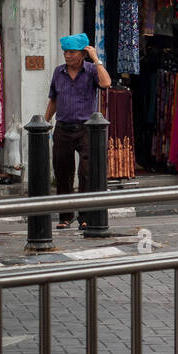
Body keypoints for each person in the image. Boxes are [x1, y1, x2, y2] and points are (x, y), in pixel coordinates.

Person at [45, 33, 111, 228]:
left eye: (72, 52)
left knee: (87, 173)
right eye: (65, 52)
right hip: (63, 128)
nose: (67, 56)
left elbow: (106, 83)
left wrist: (96, 59)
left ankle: (85, 217)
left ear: (82, 54)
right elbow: (54, 100)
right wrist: (45, 121)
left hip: (86, 130)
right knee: (62, 173)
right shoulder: (59, 72)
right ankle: (66, 216)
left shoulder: (92, 70)